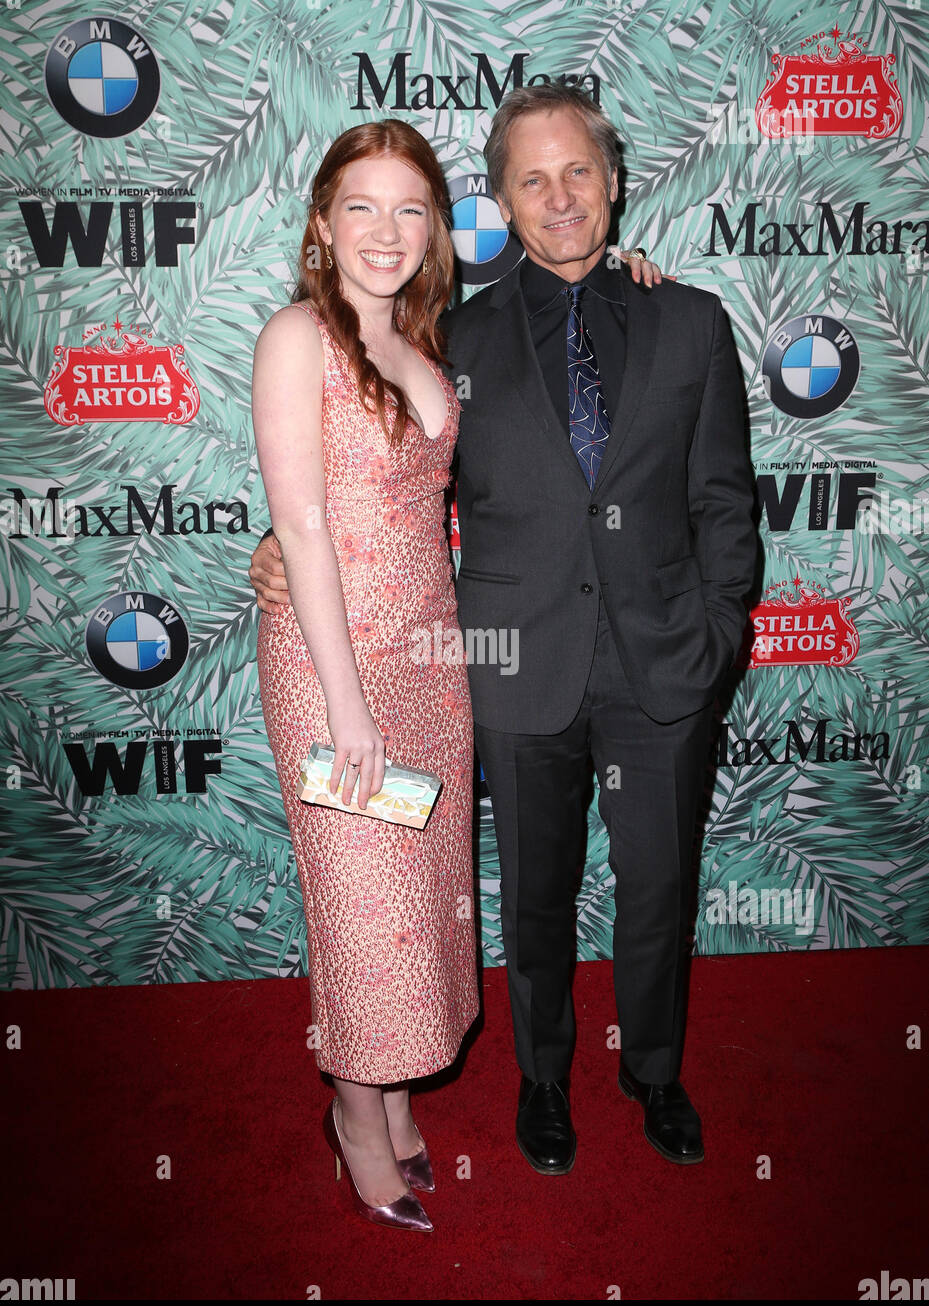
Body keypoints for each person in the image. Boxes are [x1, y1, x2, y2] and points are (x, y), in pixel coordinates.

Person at [251, 85, 756, 1179]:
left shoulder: (688, 318)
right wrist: (274, 544)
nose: (558, 197)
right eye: (530, 179)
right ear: (500, 203)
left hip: (663, 660)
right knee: (530, 895)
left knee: (659, 887)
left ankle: (654, 1073)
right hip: (511, 667)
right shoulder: (456, 335)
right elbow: (358, 453)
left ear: (613, 182)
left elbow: (723, 497)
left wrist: (716, 637)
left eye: (577, 171)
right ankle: (541, 1079)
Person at [252, 119, 480, 1232]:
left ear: (433, 229)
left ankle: (389, 1102)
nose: (384, 231)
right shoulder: (299, 336)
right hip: (331, 659)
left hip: (432, 656)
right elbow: (298, 520)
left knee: (416, 903)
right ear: (321, 222)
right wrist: (344, 702)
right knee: (361, 905)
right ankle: (353, 1119)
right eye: (361, 205)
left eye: (409, 209)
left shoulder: (425, 348)